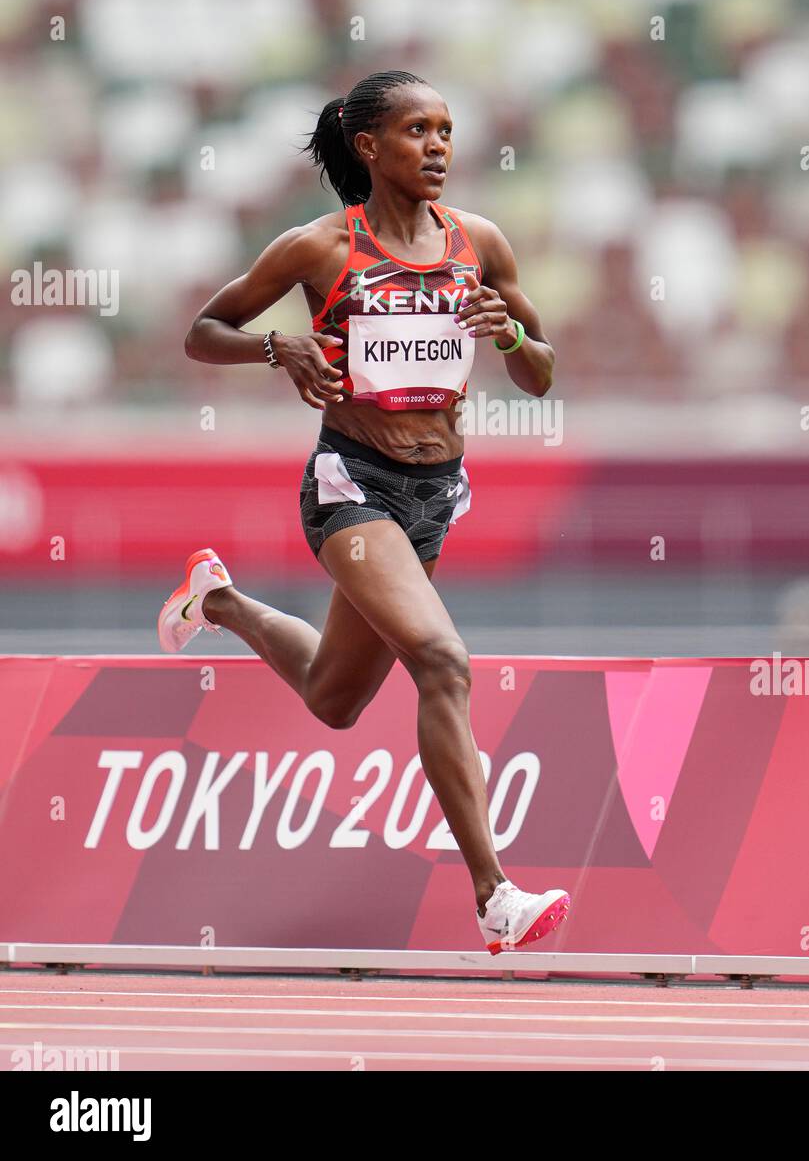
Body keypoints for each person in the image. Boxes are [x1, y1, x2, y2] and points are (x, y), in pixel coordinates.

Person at [158, 70, 570, 953]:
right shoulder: (317, 249)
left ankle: (216, 600)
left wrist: (506, 336)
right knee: (442, 662)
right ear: (368, 147)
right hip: (351, 487)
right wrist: (280, 347)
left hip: (436, 496)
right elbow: (202, 329)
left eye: (447, 131)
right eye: (417, 130)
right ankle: (495, 898)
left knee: (333, 698)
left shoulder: (479, 243)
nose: (438, 148)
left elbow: (541, 371)